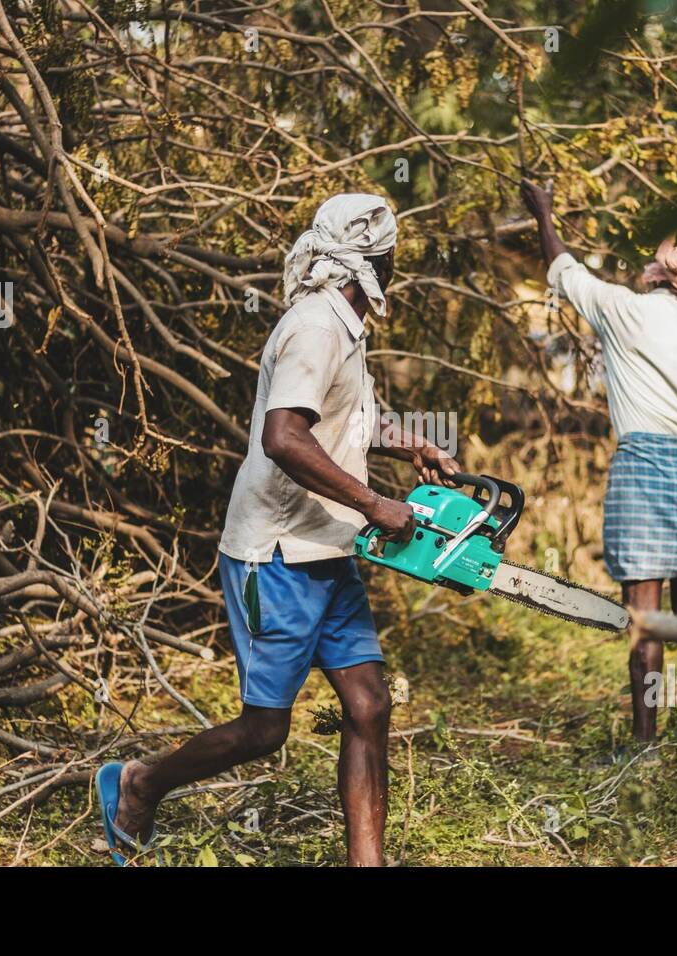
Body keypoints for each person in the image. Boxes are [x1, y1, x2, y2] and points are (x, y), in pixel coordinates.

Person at [98, 193, 459, 866]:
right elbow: (285, 436)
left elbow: (334, 420)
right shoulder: (316, 326)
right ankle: (141, 782)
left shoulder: (344, 326)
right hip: (279, 554)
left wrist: (408, 443)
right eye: (392, 255)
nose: (396, 264)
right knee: (266, 730)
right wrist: (379, 505)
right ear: (371, 261)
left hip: (327, 547)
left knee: (369, 704)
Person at [520, 178, 677, 746]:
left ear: (662, 268)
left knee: (645, 617)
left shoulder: (623, 312)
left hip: (643, 467)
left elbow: (564, 269)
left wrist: (544, 212)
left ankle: (645, 747)